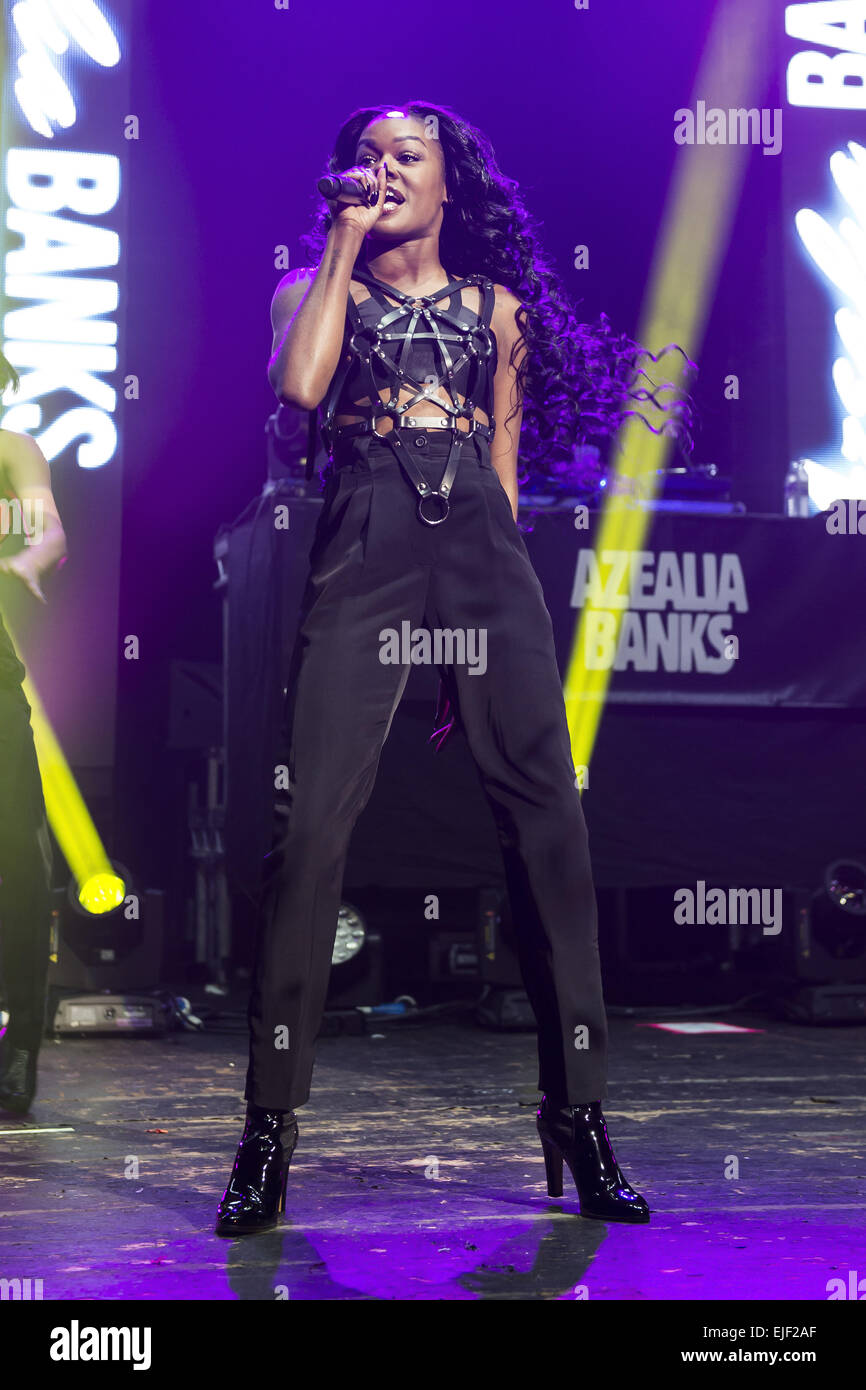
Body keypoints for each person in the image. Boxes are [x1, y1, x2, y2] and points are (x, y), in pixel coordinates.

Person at [217, 101, 685, 1235]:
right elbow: (298, 393)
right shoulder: (308, 285)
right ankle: (268, 1131)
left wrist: (478, 639)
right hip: (366, 526)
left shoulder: (498, 312)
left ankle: (577, 1115)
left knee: (548, 824)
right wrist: (335, 244)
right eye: (364, 158)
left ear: (444, 185)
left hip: (481, 543)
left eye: (403, 158)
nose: (380, 173)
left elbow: (507, 470)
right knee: (312, 828)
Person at [0, 351, 67, 1113]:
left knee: (19, 857)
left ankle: (22, 1045)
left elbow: (48, 529)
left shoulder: (12, 447)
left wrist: (30, 560)